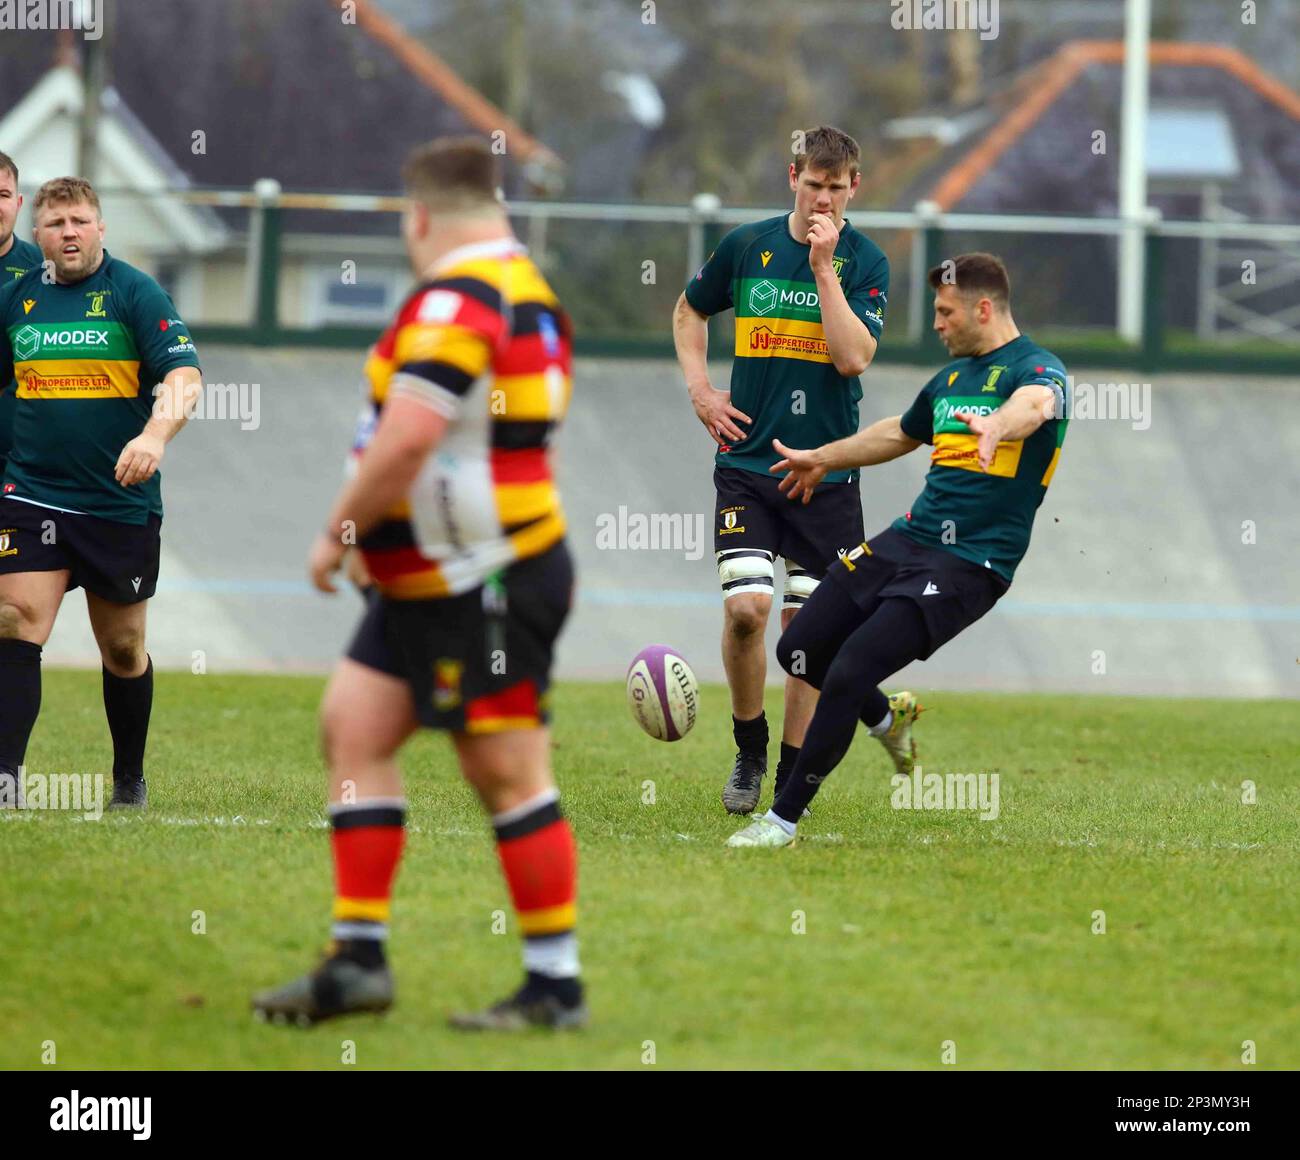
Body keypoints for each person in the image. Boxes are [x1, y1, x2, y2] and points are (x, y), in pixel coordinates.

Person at [253, 137, 584, 1031]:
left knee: (506, 773)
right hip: (434, 577)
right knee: (353, 728)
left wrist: (340, 529)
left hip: (486, 582)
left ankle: (555, 986)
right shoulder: (526, 288)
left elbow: (408, 438)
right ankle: (357, 959)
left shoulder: (461, 293)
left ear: (422, 216)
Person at [727, 253, 1070, 847]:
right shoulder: (950, 380)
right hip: (908, 538)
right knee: (801, 647)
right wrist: (821, 458)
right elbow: (898, 433)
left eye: (944, 311)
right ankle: (888, 718)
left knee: (853, 666)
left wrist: (996, 427)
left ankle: (782, 819)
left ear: (983, 309)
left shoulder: (1036, 370)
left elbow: (1036, 406)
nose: (936, 323)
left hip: (971, 563)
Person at [672, 126, 889, 815]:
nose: (823, 197)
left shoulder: (866, 262)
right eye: (812, 183)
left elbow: (854, 359)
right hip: (747, 465)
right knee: (747, 611)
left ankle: (794, 777)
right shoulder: (746, 246)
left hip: (825, 475)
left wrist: (825, 269)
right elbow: (688, 310)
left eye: (836, 186)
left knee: (806, 635)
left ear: (855, 186)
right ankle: (750, 748)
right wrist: (702, 390)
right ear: (791, 175)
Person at [0, 176, 202, 812]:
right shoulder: (17, 299)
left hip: (117, 502)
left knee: (122, 648)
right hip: (31, 491)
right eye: (57, 223)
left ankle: (128, 780)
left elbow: (184, 376)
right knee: (14, 620)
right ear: (37, 236)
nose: (69, 233)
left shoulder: (134, 292)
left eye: (81, 221)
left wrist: (155, 435)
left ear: (101, 227)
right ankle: (6, 779)